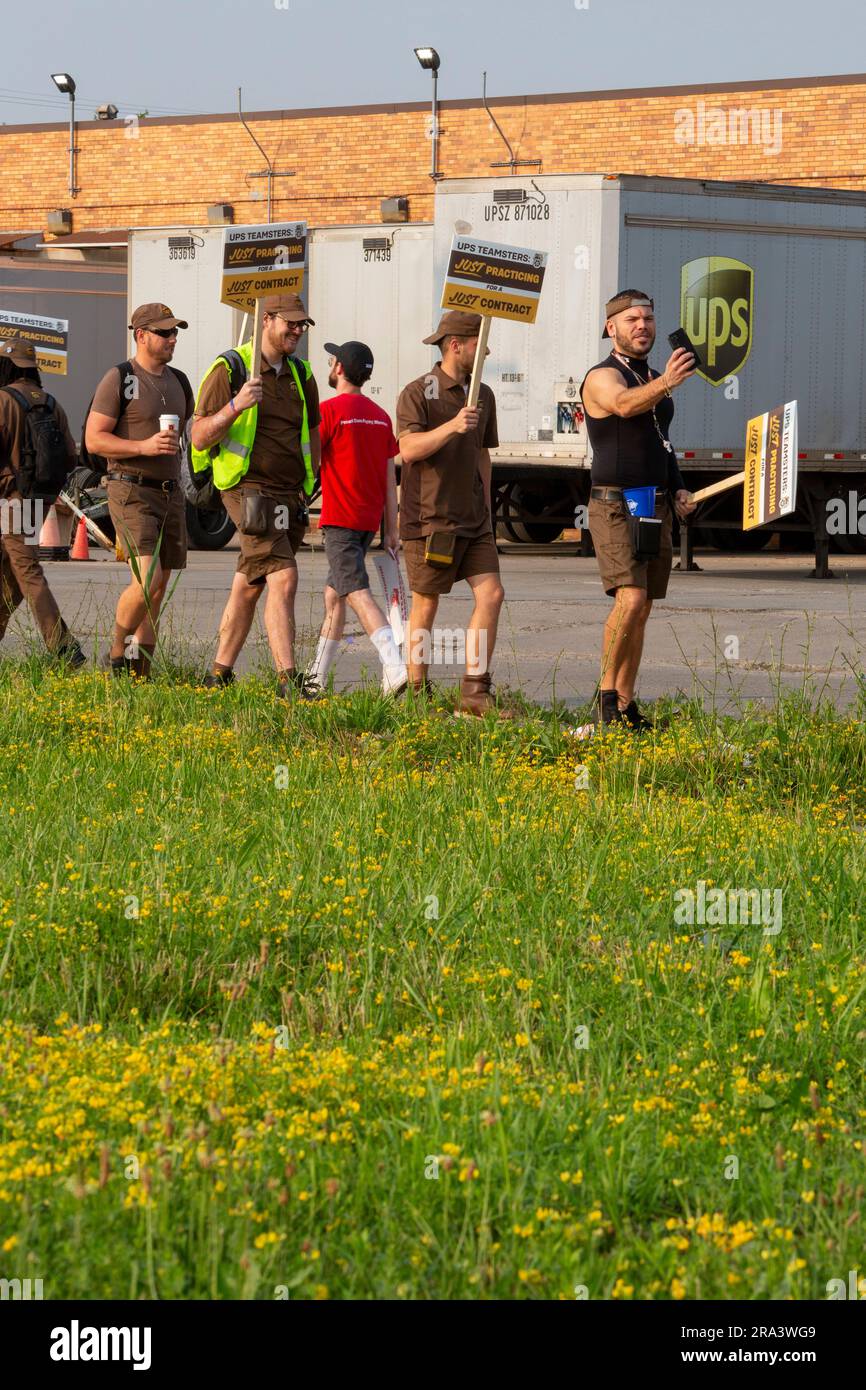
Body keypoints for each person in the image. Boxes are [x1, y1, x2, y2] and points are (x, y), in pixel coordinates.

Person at [190, 294, 320, 697]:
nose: (297, 331)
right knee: (283, 576)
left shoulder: (301, 373)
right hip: (247, 488)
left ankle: (218, 675)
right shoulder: (230, 368)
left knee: (251, 581)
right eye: (291, 323)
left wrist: (310, 481)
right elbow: (198, 436)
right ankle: (288, 681)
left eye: (302, 325)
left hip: (289, 494)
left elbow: (313, 430)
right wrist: (236, 405)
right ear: (266, 319)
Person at [580, 289, 697, 730]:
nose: (642, 326)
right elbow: (625, 406)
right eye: (632, 319)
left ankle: (626, 705)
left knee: (643, 605)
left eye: (648, 318)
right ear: (612, 327)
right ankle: (605, 699)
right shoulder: (602, 376)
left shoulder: (650, 375)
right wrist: (666, 382)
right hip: (614, 503)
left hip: (653, 502)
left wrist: (680, 488)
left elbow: (661, 442)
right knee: (629, 599)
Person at [395, 310, 507, 717]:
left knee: (492, 593)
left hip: (474, 520)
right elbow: (408, 450)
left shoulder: (485, 394)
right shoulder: (417, 392)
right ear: (455, 344)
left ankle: (474, 692)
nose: (488, 352)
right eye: (480, 344)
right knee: (427, 602)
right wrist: (453, 426)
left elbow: (482, 456)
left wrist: (489, 513)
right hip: (430, 518)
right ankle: (417, 693)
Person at [85, 302, 194, 678]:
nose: (172, 338)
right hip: (129, 488)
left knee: (158, 587)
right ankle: (116, 653)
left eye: (175, 331)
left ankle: (139, 673)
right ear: (141, 335)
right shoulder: (119, 378)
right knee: (148, 579)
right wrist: (143, 447)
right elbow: (94, 440)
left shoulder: (179, 381)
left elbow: (190, 434)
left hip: (170, 492)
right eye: (164, 332)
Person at [306, 340, 406, 697]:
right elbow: (389, 480)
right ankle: (315, 679)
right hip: (366, 522)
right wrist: (391, 530)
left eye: (332, 360)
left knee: (357, 593)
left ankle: (394, 666)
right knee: (334, 596)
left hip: (339, 520)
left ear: (338, 370)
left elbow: (313, 461)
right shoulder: (381, 416)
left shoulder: (328, 412)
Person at [0, 340, 84, 664]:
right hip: (37, 503)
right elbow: (69, 457)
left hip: (10, 501)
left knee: (26, 572)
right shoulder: (51, 403)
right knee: (11, 574)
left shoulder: (4, 400)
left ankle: (63, 647)